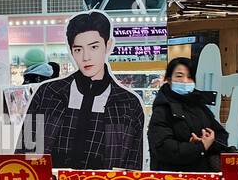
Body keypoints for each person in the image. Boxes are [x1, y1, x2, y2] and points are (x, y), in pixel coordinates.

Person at [16, 10, 145, 170]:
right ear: (71, 51)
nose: (86, 57)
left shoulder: (129, 105)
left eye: (94, 47)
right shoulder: (48, 93)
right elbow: (25, 152)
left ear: (108, 45)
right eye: (78, 49)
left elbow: (132, 168)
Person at [149, 56, 231, 172]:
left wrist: (209, 142)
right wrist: (200, 147)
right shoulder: (162, 110)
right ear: (168, 79)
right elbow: (162, 148)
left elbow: (222, 136)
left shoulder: (200, 107)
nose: (185, 81)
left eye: (189, 77)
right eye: (179, 76)